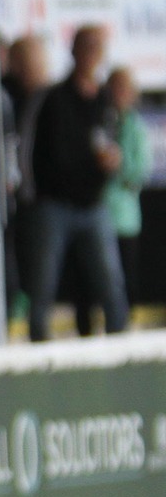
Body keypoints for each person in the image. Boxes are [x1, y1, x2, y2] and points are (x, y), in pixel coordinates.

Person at [26, 25, 127, 341]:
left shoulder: (104, 99)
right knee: (42, 287)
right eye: (88, 47)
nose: (93, 55)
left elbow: (111, 140)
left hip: (93, 204)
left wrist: (112, 161)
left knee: (112, 286)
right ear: (74, 52)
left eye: (98, 48)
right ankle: (37, 355)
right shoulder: (55, 99)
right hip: (55, 205)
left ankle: (121, 355)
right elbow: (46, 154)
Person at [102, 67, 149, 313]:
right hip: (96, 212)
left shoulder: (135, 126)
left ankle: (124, 324)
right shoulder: (100, 120)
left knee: (125, 276)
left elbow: (140, 171)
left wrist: (119, 163)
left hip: (124, 218)